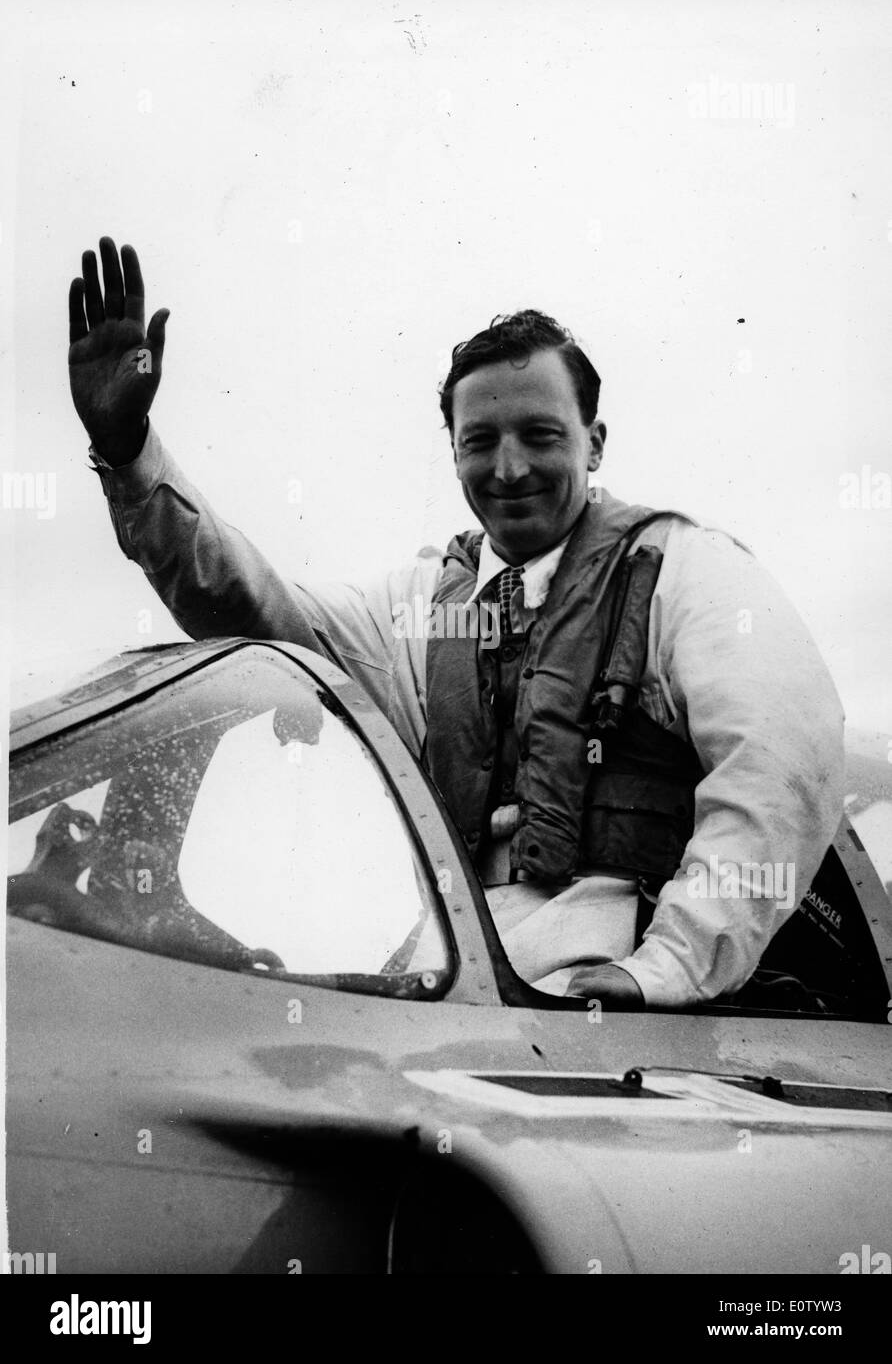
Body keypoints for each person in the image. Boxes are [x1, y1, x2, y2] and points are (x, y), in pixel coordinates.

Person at [67, 237, 845, 1009]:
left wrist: (669, 966)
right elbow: (248, 607)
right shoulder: (421, 610)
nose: (508, 469)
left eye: (541, 436)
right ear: (454, 451)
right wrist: (127, 449)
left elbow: (783, 760)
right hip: (470, 988)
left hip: (620, 1008)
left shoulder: (685, 570)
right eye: (480, 442)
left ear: (594, 442)